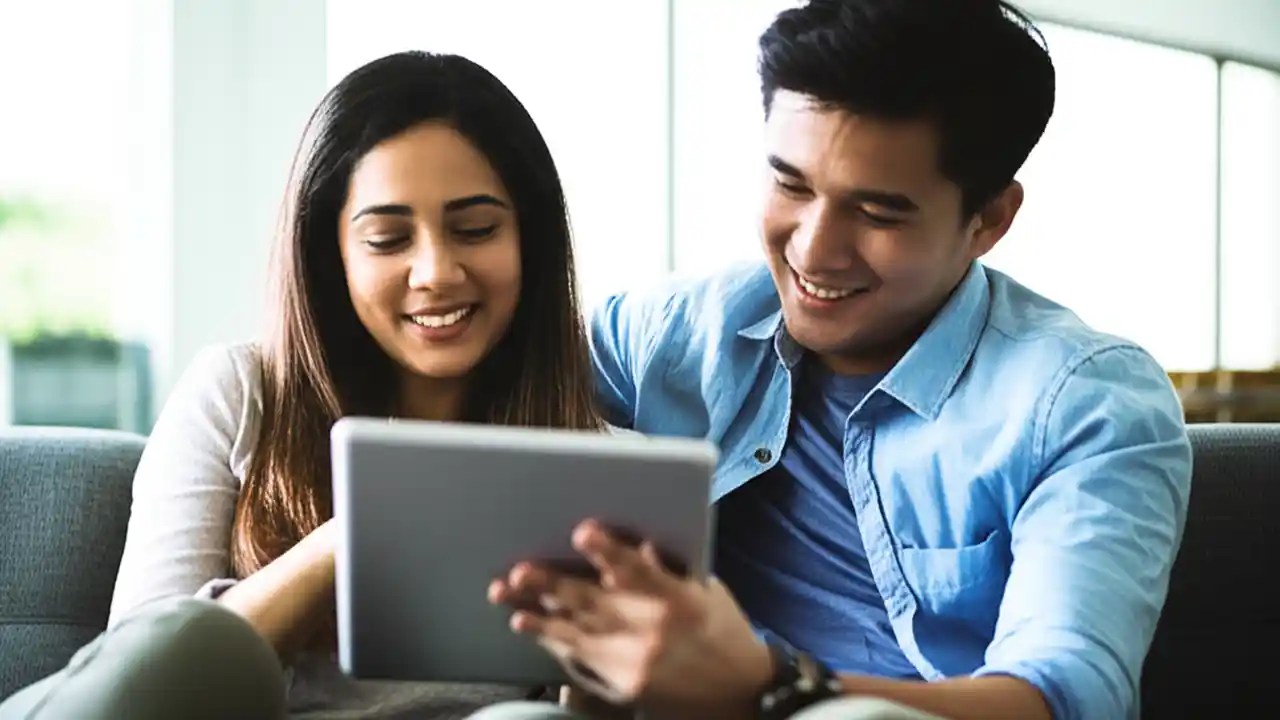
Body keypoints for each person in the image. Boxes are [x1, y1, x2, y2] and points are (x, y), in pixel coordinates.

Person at [478, 1, 1193, 719]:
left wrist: (766, 685)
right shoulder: (670, 334)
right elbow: (466, 397)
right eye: (791, 185)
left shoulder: (1086, 401)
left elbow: (1067, 698)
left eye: (878, 214)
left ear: (990, 220)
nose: (813, 250)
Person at [0, 50, 603, 719]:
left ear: (531, 242)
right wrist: (345, 543)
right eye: (386, 239)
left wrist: (598, 660)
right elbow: (143, 675)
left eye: (475, 229)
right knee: (182, 651)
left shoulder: (599, 467)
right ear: (331, 255)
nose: (434, 270)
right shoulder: (239, 394)